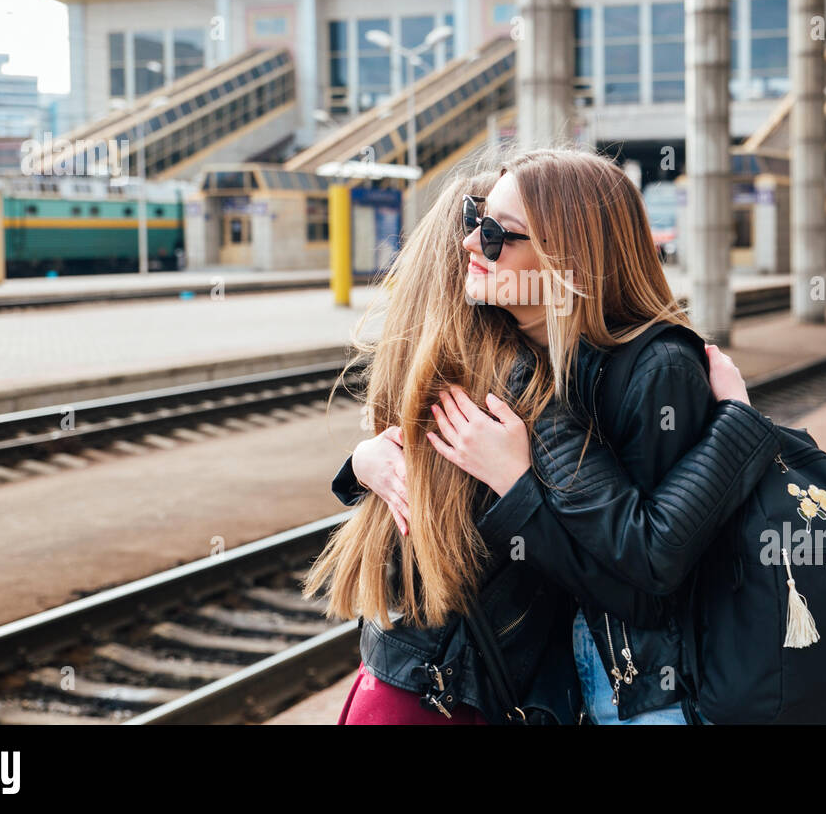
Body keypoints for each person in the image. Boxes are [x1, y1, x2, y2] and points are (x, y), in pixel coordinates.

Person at [307, 149, 777, 723]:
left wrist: (739, 422)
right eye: (473, 219)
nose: (470, 245)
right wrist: (361, 461)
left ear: (568, 262)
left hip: (638, 697)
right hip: (465, 688)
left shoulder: (632, 370)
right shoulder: (524, 367)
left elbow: (648, 574)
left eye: (498, 234)